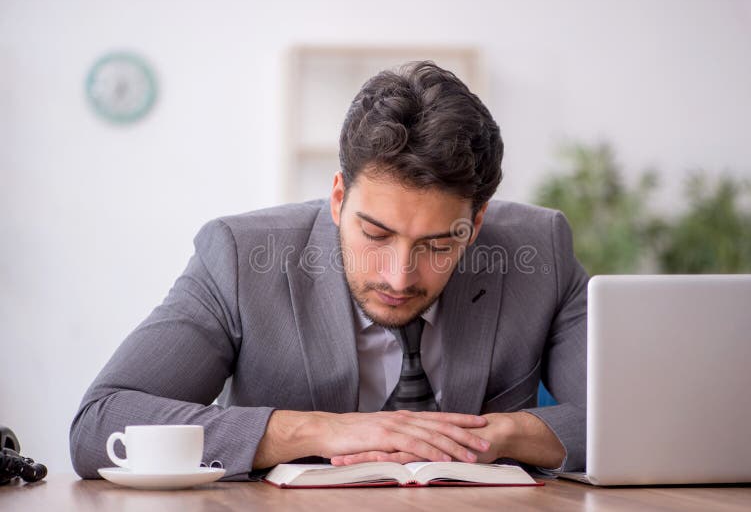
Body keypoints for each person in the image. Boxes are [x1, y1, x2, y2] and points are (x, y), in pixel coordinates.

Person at [70, 61, 588, 481]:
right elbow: (100, 424)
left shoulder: (539, 250)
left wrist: (499, 434)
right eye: (376, 234)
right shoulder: (238, 256)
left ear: (475, 224)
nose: (399, 276)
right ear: (338, 198)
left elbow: (638, 420)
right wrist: (317, 431)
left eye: (436, 244)